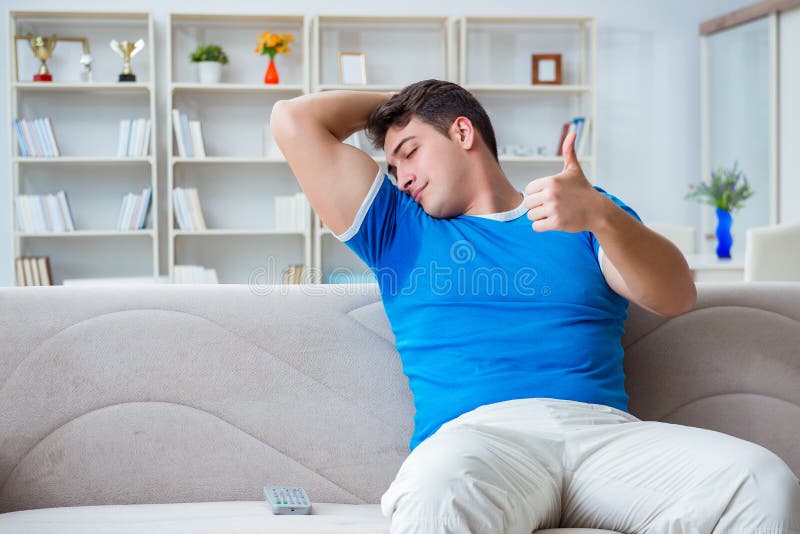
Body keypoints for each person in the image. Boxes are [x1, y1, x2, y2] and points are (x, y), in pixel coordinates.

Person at [270, 79, 800, 533]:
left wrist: (601, 216)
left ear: (462, 131)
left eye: (408, 151)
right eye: (391, 165)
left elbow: (676, 296)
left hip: (604, 439)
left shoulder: (579, 211)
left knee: (761, 482)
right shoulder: (398, 231)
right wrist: (406, 101)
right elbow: (293, 119)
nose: (400, 175)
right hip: (478, 440)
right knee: (435, 491)